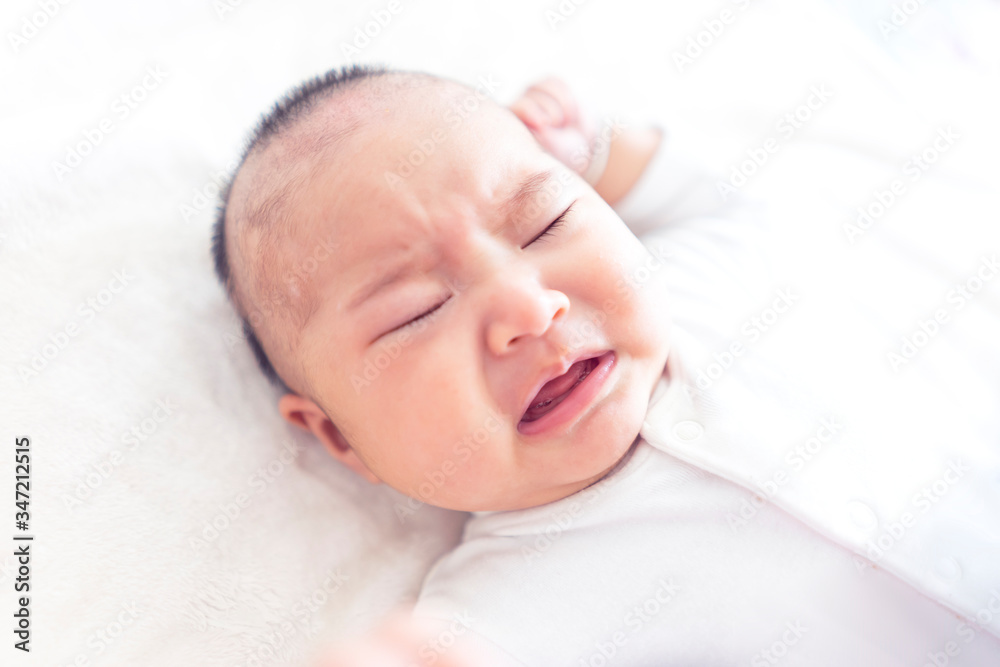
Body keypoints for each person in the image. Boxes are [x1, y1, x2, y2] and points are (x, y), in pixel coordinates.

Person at [212, 65, 1000, 666]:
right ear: (339, 439)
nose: (527, 308)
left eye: (547, 219)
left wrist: (597, 150)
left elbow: (713, 198)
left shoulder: (703, 275)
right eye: (415, 311)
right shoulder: (498, 614)